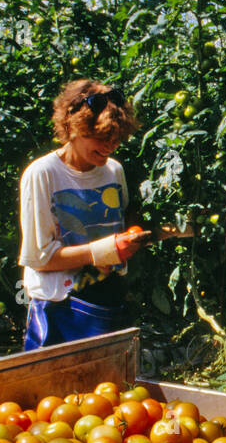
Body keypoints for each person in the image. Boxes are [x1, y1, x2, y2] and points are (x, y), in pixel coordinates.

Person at [19, 78, 150, 350]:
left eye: (115, 139)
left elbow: (119, 228)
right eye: (101, 138)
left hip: (109, 299)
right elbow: (38, 257)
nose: (109, 146)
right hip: (61, 308)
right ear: (72, 127)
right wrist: (104, 250)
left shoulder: (113, 171)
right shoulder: (43, 174)